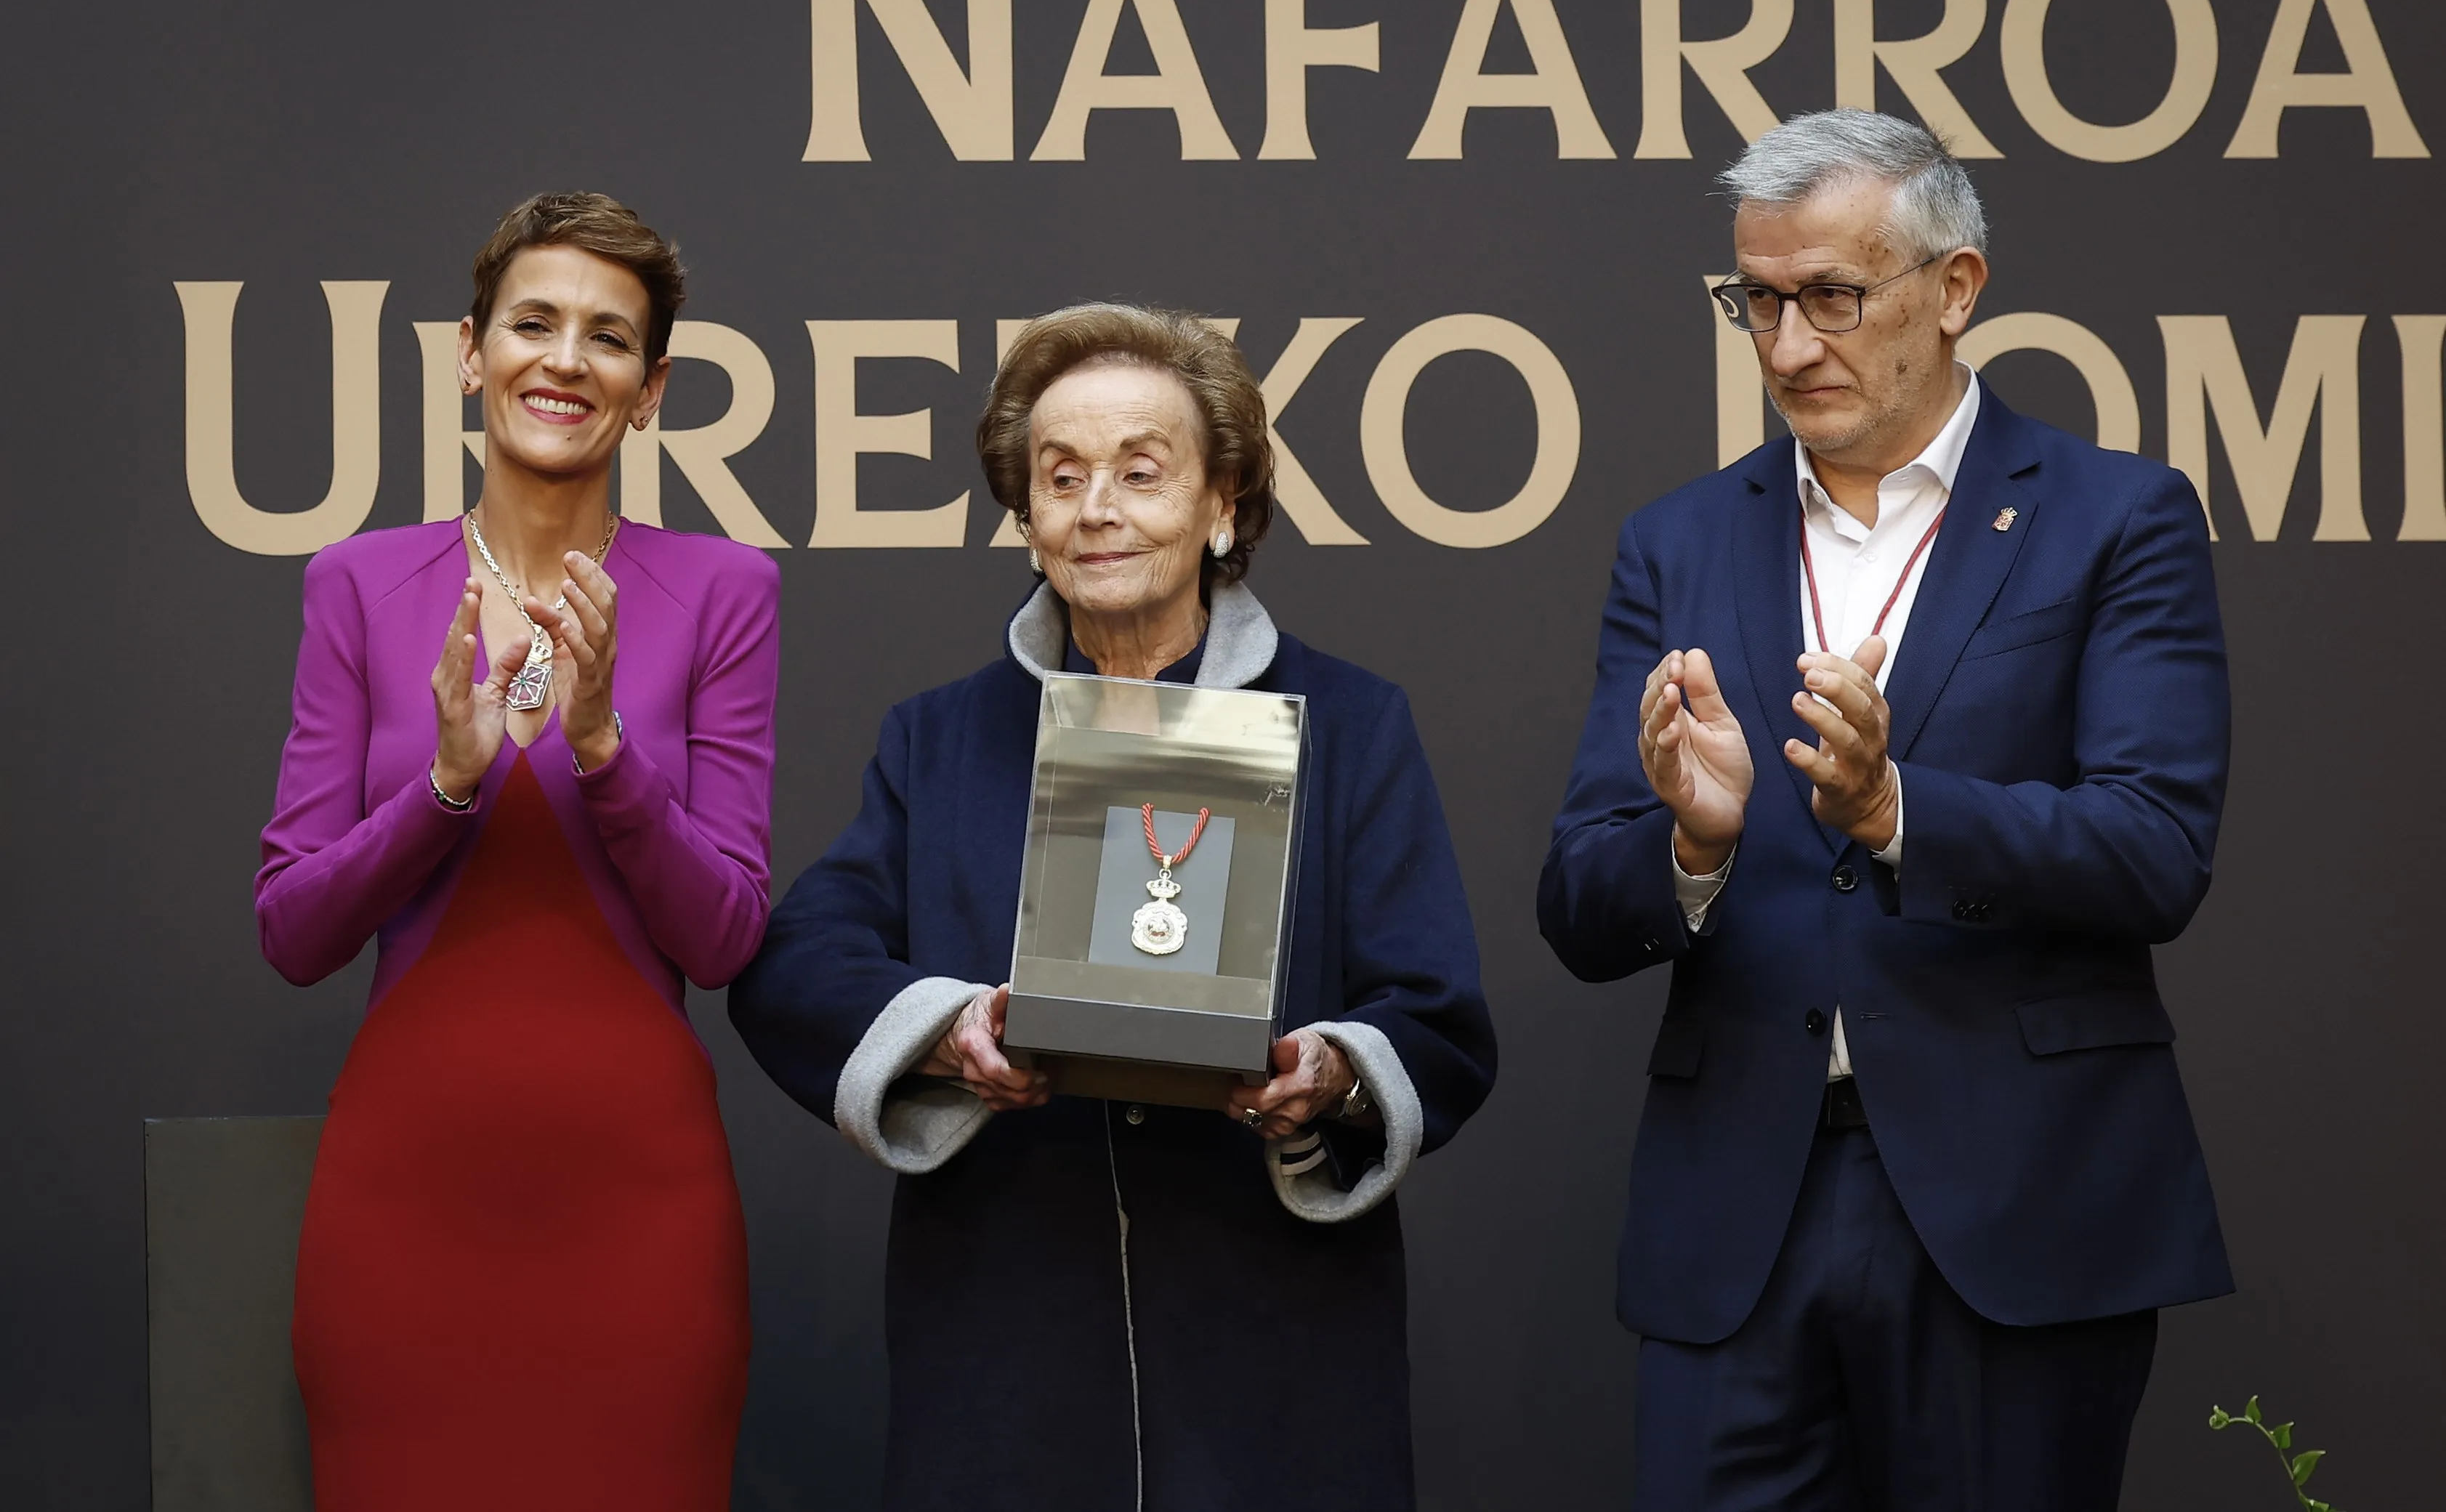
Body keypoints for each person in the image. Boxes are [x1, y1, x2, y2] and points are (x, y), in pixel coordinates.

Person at [1538, 110, 2232, 1511]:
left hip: (2014, 1206)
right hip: (1740, 1210)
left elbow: (2154, 852)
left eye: (1833, 298)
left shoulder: (2115, 517)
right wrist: (1693, 842)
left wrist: (1897, 805)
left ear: (1955, 288)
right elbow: (1577, 906)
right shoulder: (1675, 540)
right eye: (1757, 301)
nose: (1789, 347)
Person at [727, 303, 1496, 1512]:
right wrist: (950, 1027)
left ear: (1221, 503)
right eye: (1060, 476)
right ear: (1023, 515)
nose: (1096, 509)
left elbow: (1437, 1016)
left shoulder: (1352, 725)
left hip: (1273, 1354)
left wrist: (1329, 1073)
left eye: (1141, 473)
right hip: (1009, 1349)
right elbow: (795, 960)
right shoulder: (939, 738)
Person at [256, 193, 778, 1510]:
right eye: (532, 323)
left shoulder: (724, 592)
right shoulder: (358, 585)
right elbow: (293, 932)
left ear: (650, 390)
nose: (564, 360)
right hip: (405, 1204)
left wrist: (604, 752)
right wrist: (443, 786)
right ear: (468, 353)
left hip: (639, 1213)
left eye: (608, 338)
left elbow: (723, 938)